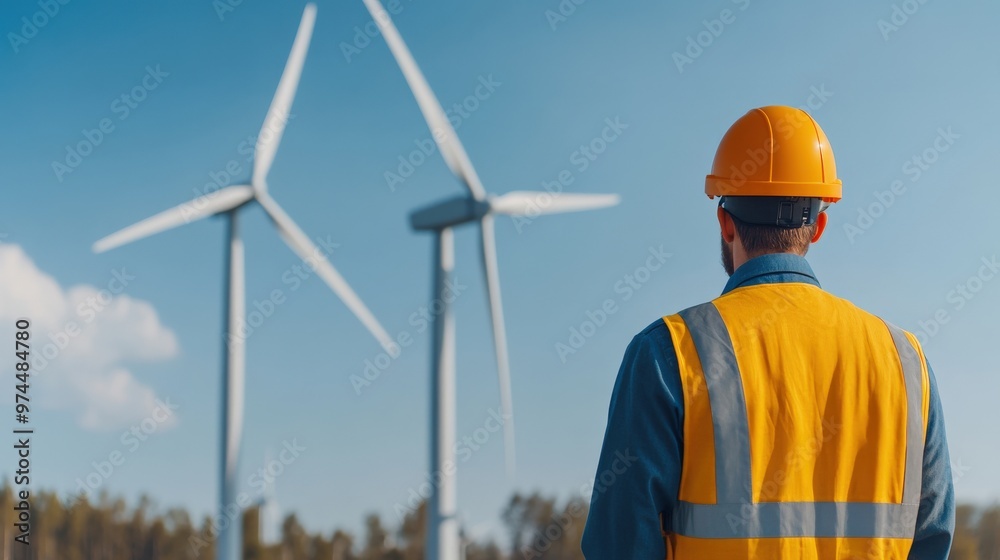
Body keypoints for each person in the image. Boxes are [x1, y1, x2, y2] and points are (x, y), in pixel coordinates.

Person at [581, 106, 955, 559]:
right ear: (818, 226)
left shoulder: (667, 353)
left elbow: (619, 544)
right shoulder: (906, 361)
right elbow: (932, 538)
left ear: (725, 222)